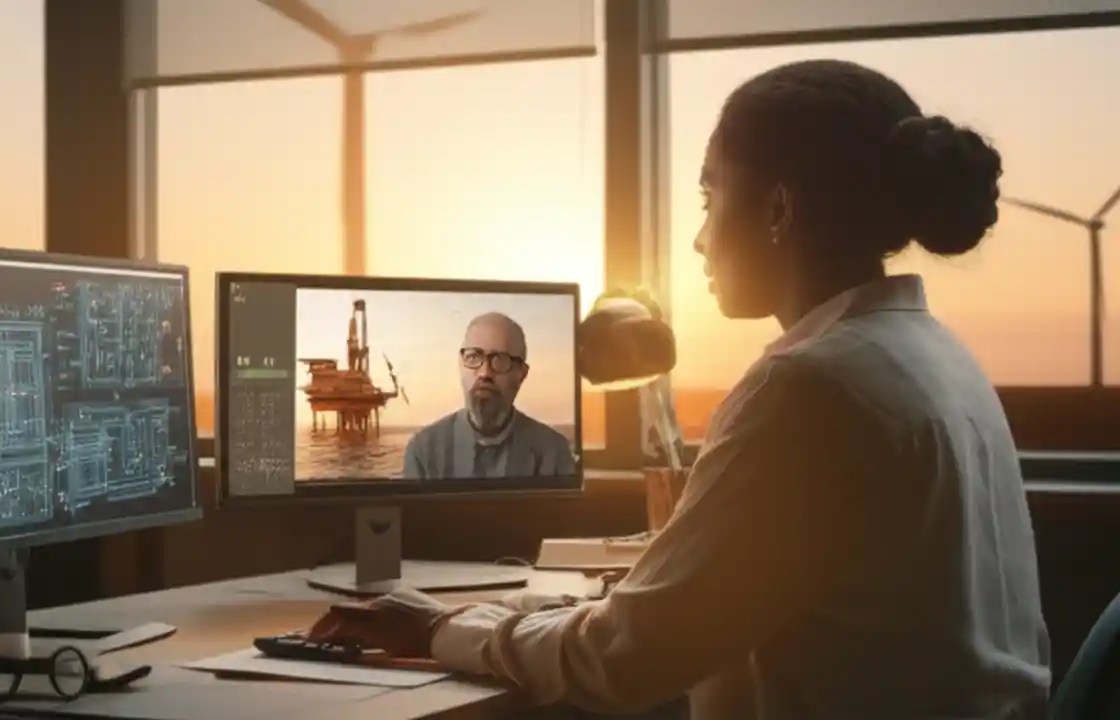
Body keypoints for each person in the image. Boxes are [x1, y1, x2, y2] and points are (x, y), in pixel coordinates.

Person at [312, 60, 1051, 718]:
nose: (698, 237)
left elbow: (625, 660)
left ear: (777, 211)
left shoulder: (811, 388)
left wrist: (443, 628)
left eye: (708, 197)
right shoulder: (937, 357)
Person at [402, 312, 575, 480]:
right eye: (473, 357)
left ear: (521, 374)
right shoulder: (423, 452)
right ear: (460, 366)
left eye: (500, 360)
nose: (485, 372)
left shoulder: (554, 454)